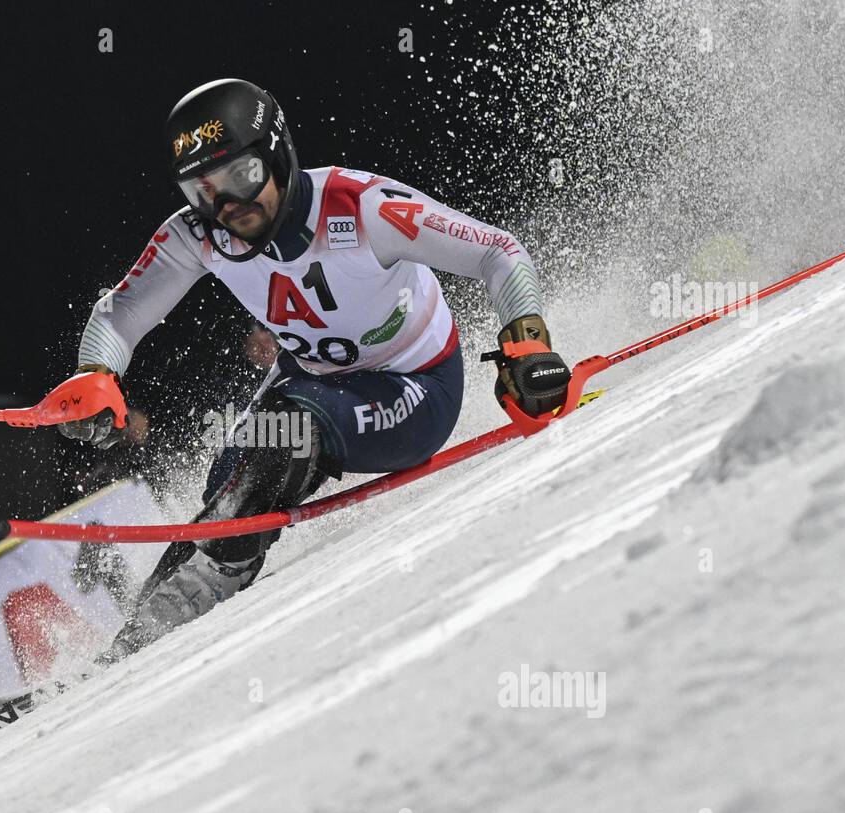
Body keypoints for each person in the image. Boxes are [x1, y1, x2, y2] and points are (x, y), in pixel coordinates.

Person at [58, 78, 570, 660]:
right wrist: (95, 376)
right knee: (225, 495)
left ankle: (196, 599)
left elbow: (496, 251)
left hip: (417, 385)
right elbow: (120, 315)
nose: (226, 206)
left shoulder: (360, 206)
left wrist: (526, 344)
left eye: (242, 177)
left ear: (278, 155)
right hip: (310, 381)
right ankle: (137, 636)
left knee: (284, 431)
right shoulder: (198, 235)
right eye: (202, 190)